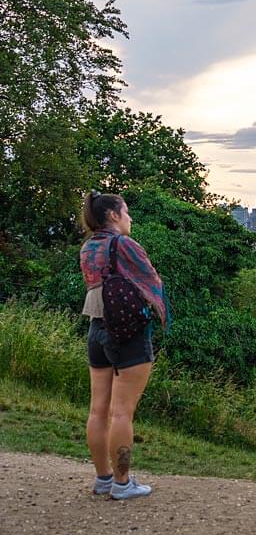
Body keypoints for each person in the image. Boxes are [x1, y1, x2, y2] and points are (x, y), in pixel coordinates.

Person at [79, 191, 167, 501]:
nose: (129, 218)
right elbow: (151, 279)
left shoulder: (88, 247)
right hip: (127, 333)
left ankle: (104, 478)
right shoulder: (124, 244)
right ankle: (123, 482)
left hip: (96, 328)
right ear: (114, 215)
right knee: (121, 413)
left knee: (97, 410)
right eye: (126, 212)